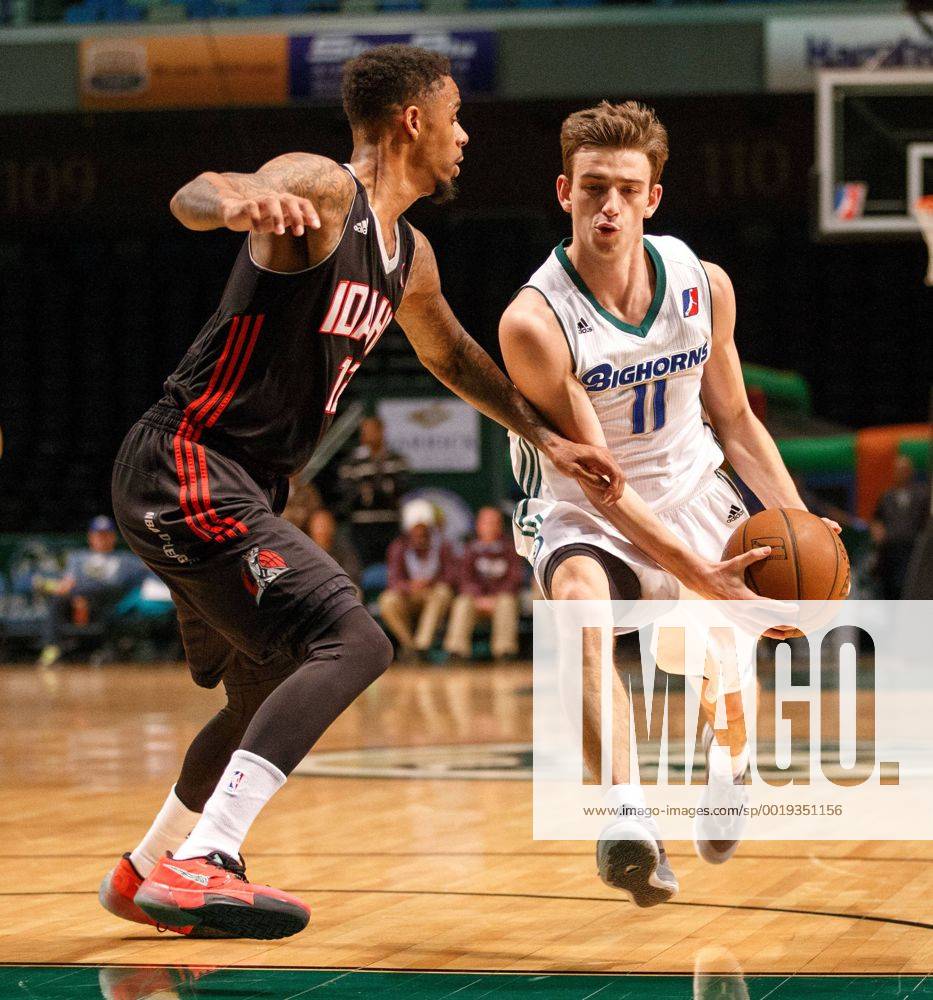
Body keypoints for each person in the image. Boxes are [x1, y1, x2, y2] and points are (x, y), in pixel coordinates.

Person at [102, 45, 624, 942]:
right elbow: (208, 186)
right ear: (412, 120)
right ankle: (209, 858)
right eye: (455, 115)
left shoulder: (407, 256)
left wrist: (542, 436)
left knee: (257, 687)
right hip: (185, 459)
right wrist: (230, 202)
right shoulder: (323, 190)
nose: (465, 135)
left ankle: (147, 867)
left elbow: (453, 356)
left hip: (240, 487)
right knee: (355, 636)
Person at [498, 100, 841, 908]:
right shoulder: (535, 322)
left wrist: (793, 514)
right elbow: (603, 483)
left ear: (653, 197)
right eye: (591, 189)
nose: (607, 205)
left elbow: (735, 419)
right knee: (578, 612)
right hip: (586, 505)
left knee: (715, 652)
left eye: (625, 188)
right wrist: (695, 570)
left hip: (691, 487)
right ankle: (624, 821)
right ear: (563, 192)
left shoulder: (700, 283)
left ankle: (729, 765)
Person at [36, 516, 147, 668]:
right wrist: (77, 597)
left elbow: (130, 582)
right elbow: (69, 580)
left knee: (102, 587)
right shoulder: (78, 558)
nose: (102, 538)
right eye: (98, 534)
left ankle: (54, 586)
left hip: (108, 603)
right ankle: (52, 648)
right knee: (59, 598)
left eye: (106, 534)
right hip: (75, 602)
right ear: (90, 537)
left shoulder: (126, 559)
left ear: (113, 537)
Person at [443, 506, 524, 661]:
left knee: (506, 602)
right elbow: (464, 578)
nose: (490, 526)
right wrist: (479, 597)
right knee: (462, 602)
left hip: (501, 599)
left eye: (494, 522)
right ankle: (456, 651)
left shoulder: (511, 548)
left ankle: (504, 651)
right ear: (478, 525)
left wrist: (495, 598)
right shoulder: (469, 549)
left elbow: (515, 579)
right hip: (476, 600)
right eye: (486, 523)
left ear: (500, 526)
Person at [378, 499, 457, 659]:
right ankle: (410, 647)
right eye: (416, 530)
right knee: (387, 600)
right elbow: (393, 580)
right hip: (409, 596)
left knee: (442, 592)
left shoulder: (443, 546)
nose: (420, 535)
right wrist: (410, 586)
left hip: (433, 595)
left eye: (424, 531)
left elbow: (451, 576)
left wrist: (431, 583)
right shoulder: (398, 547)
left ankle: (423, 645)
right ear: (409, 530)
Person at [337, 416, 408, 566]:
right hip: (362, 527)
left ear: (382, 431)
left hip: (390, 524)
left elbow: (403, 487)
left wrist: (369, 492)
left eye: (371, 430)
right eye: (364, 431)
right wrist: (384, 488)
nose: (367, 434)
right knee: (363, 567)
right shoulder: (352, 461)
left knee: (391, 566)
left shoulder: (396, 459)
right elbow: (347, 492)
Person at [870, 455, 929, 599]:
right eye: (897, 469)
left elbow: (926, 521)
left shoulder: (921, 495)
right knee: (890, 588)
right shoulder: (886, 497)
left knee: (908, 585)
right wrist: (878, 533)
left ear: (910, 472)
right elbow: (877, 519)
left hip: (912, 549)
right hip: (890, 550)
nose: (900, 473)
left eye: (904, 469)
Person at [306, 507, 362, 589]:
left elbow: (353, 573)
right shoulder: (303, 549)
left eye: (325, 524)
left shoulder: (343, 549)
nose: (322, 529)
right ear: (310, 527)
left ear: (332, 527)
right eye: (319, 525)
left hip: (339, 590)